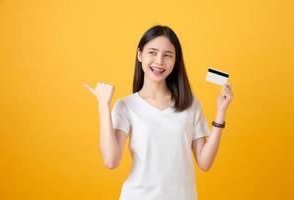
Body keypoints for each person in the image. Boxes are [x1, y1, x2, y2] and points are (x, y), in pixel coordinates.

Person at [83, 25, 234, 200]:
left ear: (176, 61)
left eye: (167, 55)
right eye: (152, 53)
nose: (159, 61)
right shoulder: (126, 106)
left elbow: (205, 163)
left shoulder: (190, 103)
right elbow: (111, 161)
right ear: (140, 55)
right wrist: (103, 106)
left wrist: (220, 113)